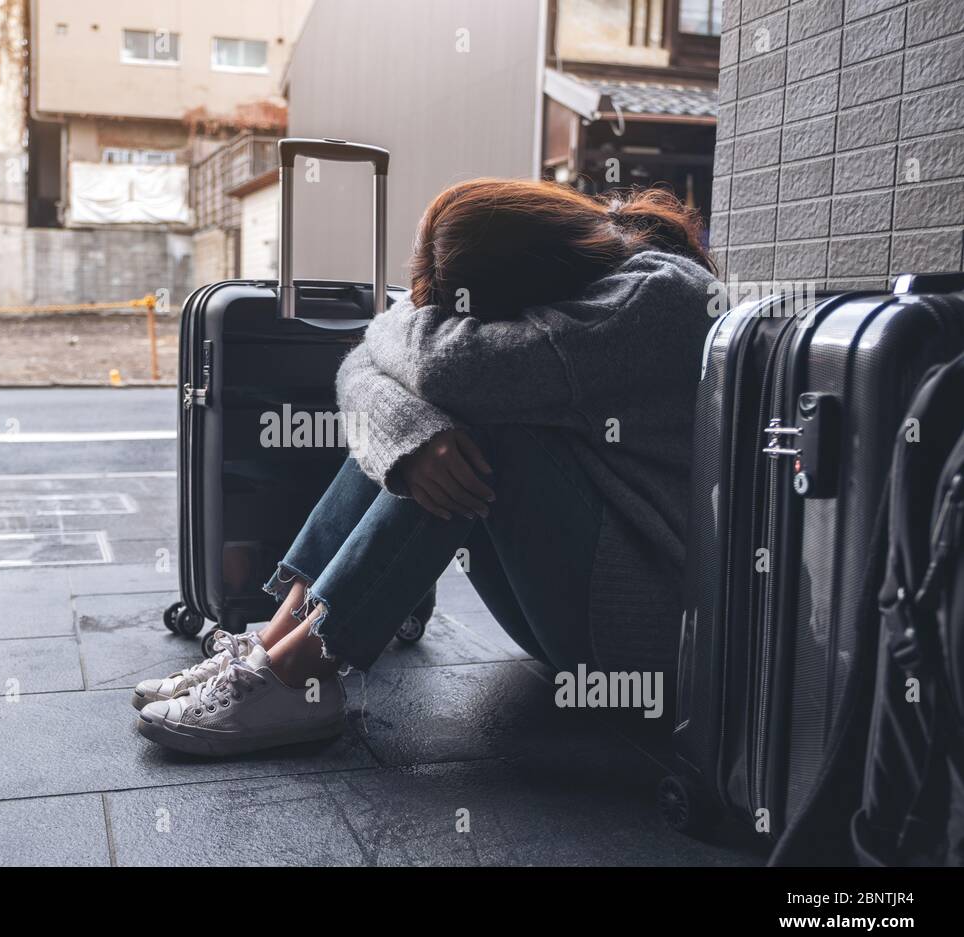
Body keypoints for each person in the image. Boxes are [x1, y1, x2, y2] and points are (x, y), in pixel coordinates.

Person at [134, 178, 718, 757]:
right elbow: (366, 367)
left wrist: (393, 342)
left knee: (470, 425)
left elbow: (449, 370)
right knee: (413, 428)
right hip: (573, 612)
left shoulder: (656, 297)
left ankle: (299, 676)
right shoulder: (589, 264)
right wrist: (408, 431)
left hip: (640, 634)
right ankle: (275, 644)